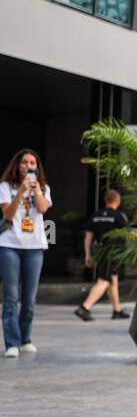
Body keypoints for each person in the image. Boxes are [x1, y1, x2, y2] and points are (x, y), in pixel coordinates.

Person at [0, 149, 52, 358]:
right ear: (17, 165)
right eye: (24, 162)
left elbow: (42, 209)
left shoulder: (44, 188)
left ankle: (25, 338)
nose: (28, 165)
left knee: (29, 299)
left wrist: (36, 189)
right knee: (11, 297)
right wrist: (20, 191)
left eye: (32, 163)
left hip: (34, 247)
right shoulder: (5, 187)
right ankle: (12, 343)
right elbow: (8, 214)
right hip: (10, 245)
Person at [75, 188, 131, 321]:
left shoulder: (95, 215)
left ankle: (117, 310)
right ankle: (85, 307)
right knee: (105, 281)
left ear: (105, 200)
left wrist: (88, 254)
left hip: (100, 252)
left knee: (112, 280)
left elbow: (88, 237)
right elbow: (128, 234)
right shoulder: (119, 216)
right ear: (117, 200)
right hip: (114, 253)